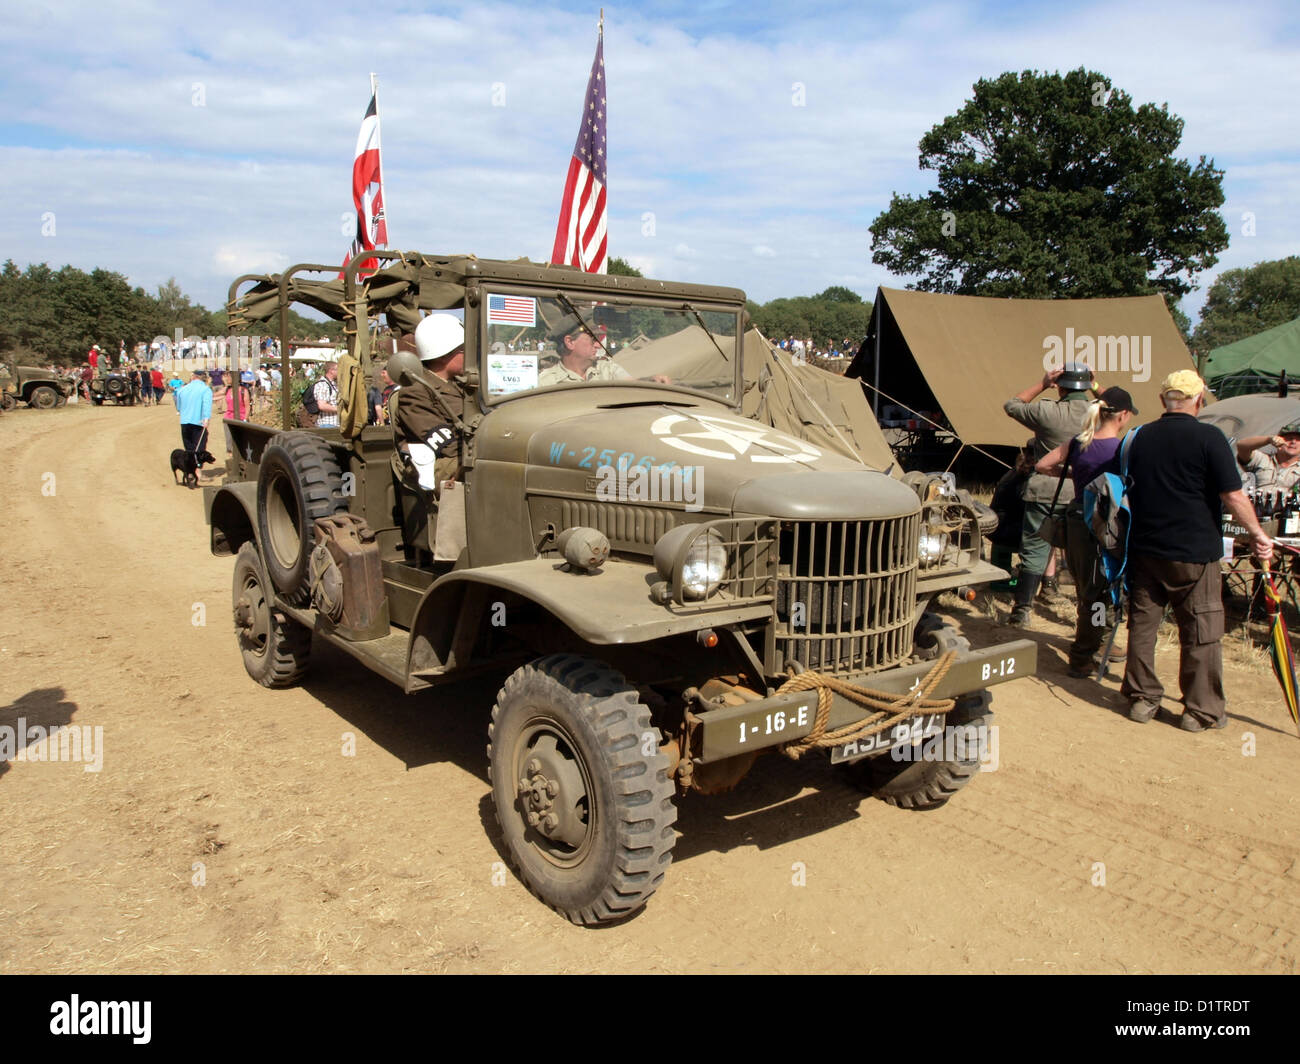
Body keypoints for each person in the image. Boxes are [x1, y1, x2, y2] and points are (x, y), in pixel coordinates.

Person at [1118, 370, 1272, 730]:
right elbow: (1232, 495)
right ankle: (1200, 710)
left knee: (1142, 626)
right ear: (1200, 400)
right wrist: (1257, 534)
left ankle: (1143, 699)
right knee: (1202, 629)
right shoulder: (1210, 437)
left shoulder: (1138, 437)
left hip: (1145, 549)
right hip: (1194, 553)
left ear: (1162, 400)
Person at [1036, 386, 1138, 677]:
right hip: (1105, 523)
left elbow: (1043, 464)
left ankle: (1101, 640)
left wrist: (1072, 474)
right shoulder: (1121, 449)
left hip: (1077, 519)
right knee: (1099, 589)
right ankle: (1082, 655)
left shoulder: (1079, 442)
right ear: (1123, 415)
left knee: (1087, 587)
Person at [1002, 361, 1096, 626]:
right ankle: (1089, 620)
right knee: (1085, 556)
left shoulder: (1046, 411)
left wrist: (1043, 383)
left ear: (1060, 386)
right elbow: (1121, 410)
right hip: (1084, 492)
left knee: (1034, 548)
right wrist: (1096, 385)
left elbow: (1012, 405)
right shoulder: (1098, 413)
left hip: (1045, 488)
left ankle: (1022, 610)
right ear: (1086, 385)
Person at [392, 315, 465, 491]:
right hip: (437, 465)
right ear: (443, 354)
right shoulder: (415, 390)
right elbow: (445, 444)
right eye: (463, 349)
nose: (468, 354)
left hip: (460, 456)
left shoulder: (460, 385)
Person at [537, 315, 633, 386]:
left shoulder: (608, 370)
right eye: (593, 340)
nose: (598, 346)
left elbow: (634, 391)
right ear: (570, 342)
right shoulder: (546, 383)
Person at [1235, 422, 1300, 494]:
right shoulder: (1261, 459)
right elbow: (1241, 446)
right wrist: (1268, 439)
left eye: (1298, 439)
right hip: (1256, 504)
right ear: (1278, 439)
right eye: (1289, 438)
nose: (1293, 442)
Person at [176, 369, 213, 458]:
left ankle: (191, 469)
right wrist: (206, 418)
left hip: (184, 421)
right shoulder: (205, 389)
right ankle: (197, 469)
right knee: (199, 447)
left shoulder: (182, 389)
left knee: (189, 447)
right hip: (198, 422)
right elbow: (206, 405)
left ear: (193, 377)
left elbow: (178, 407)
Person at [312, 361, 340, 429]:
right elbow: (322, 405)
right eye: (338, 369)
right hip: (327, 424)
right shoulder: (323, 385)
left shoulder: (333, 384)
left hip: (335, 424)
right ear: (331, 371)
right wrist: (339, 409)